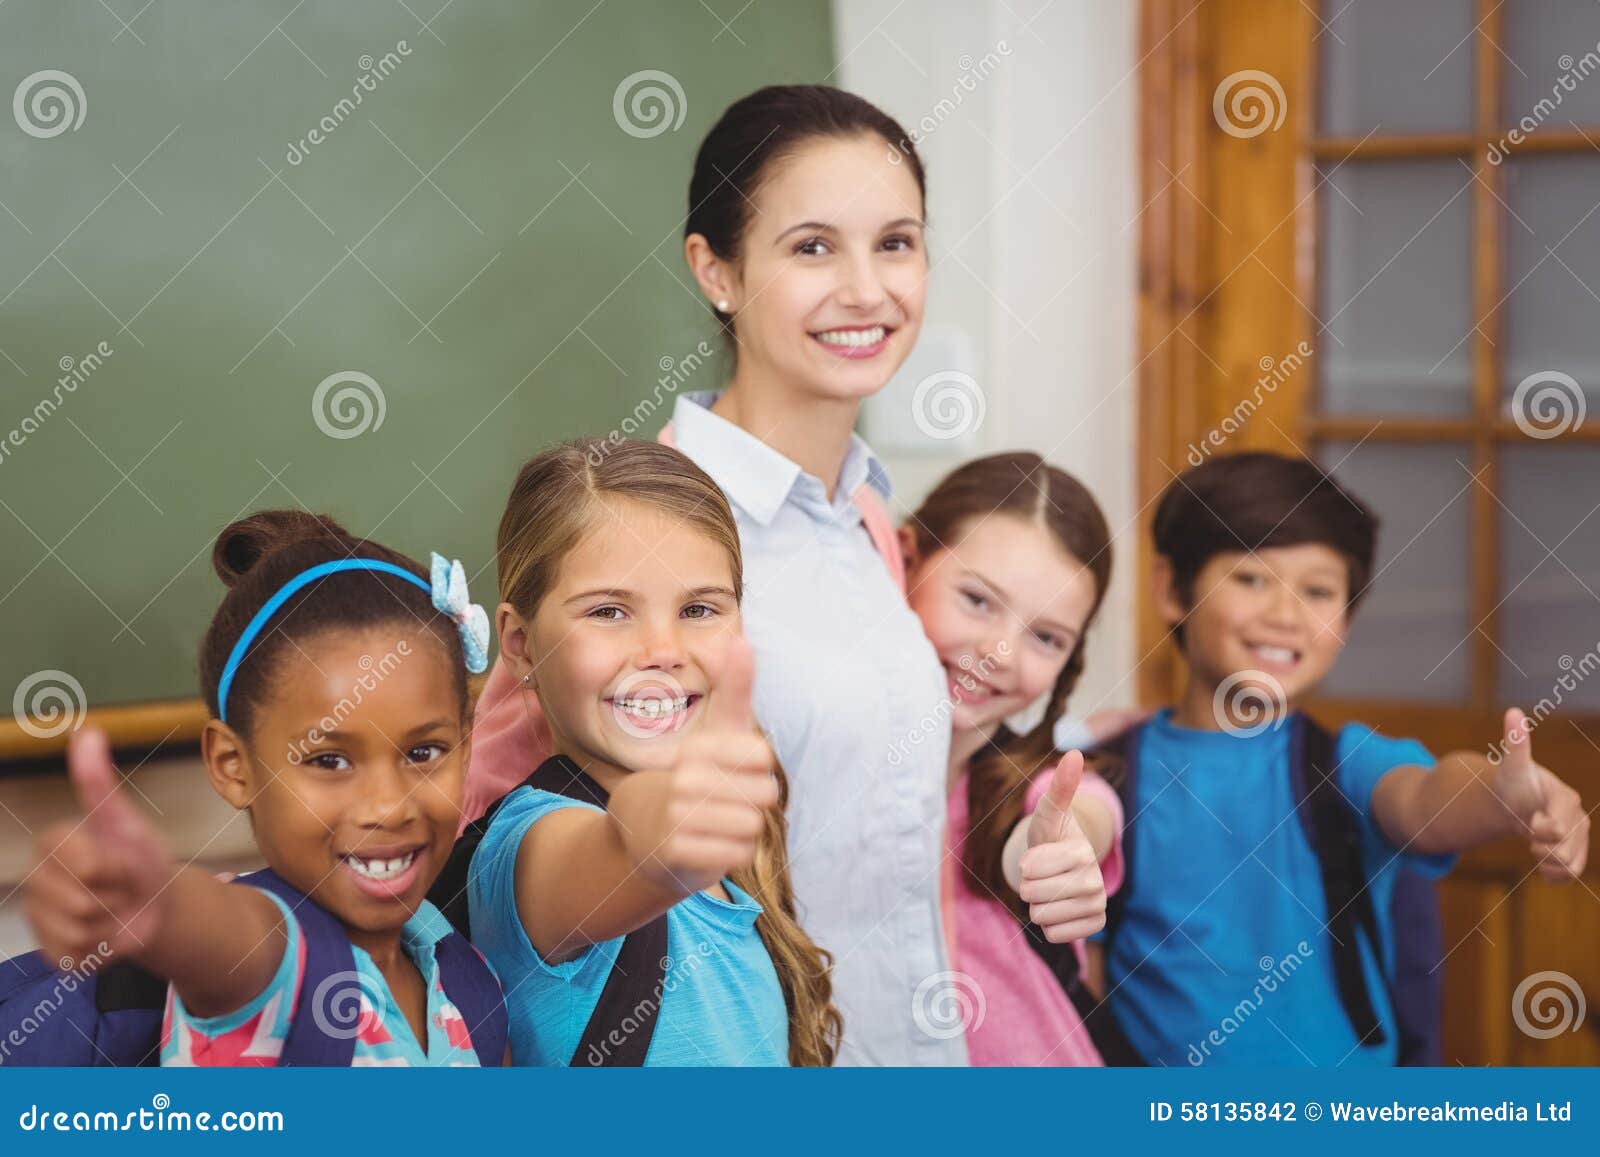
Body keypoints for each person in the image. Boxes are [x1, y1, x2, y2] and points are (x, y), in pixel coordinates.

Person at [466, 85, 962, 1064]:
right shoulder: (647, 535)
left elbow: (878, 790)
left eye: (895, 242)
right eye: (813, 246)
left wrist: (1049, 821)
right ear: (717, 270)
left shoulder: (867, 511)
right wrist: (652, 841)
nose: (866, 288)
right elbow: (490, 808)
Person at [25, 511, 505, 1066]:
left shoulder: (466, 976)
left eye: (423, 753)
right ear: (234, 766)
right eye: (329, 761)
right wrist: (158, 900)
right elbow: (218, 932)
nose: (388, 806)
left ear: (467, 742)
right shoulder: (272, 959)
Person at [466, 439, 840, 1066]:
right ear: (522, 644)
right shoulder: (528, 851)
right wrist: (659, 829)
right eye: (609, 611)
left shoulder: (732, 865)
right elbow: (622, 851)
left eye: (698, 609)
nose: (663, 650)